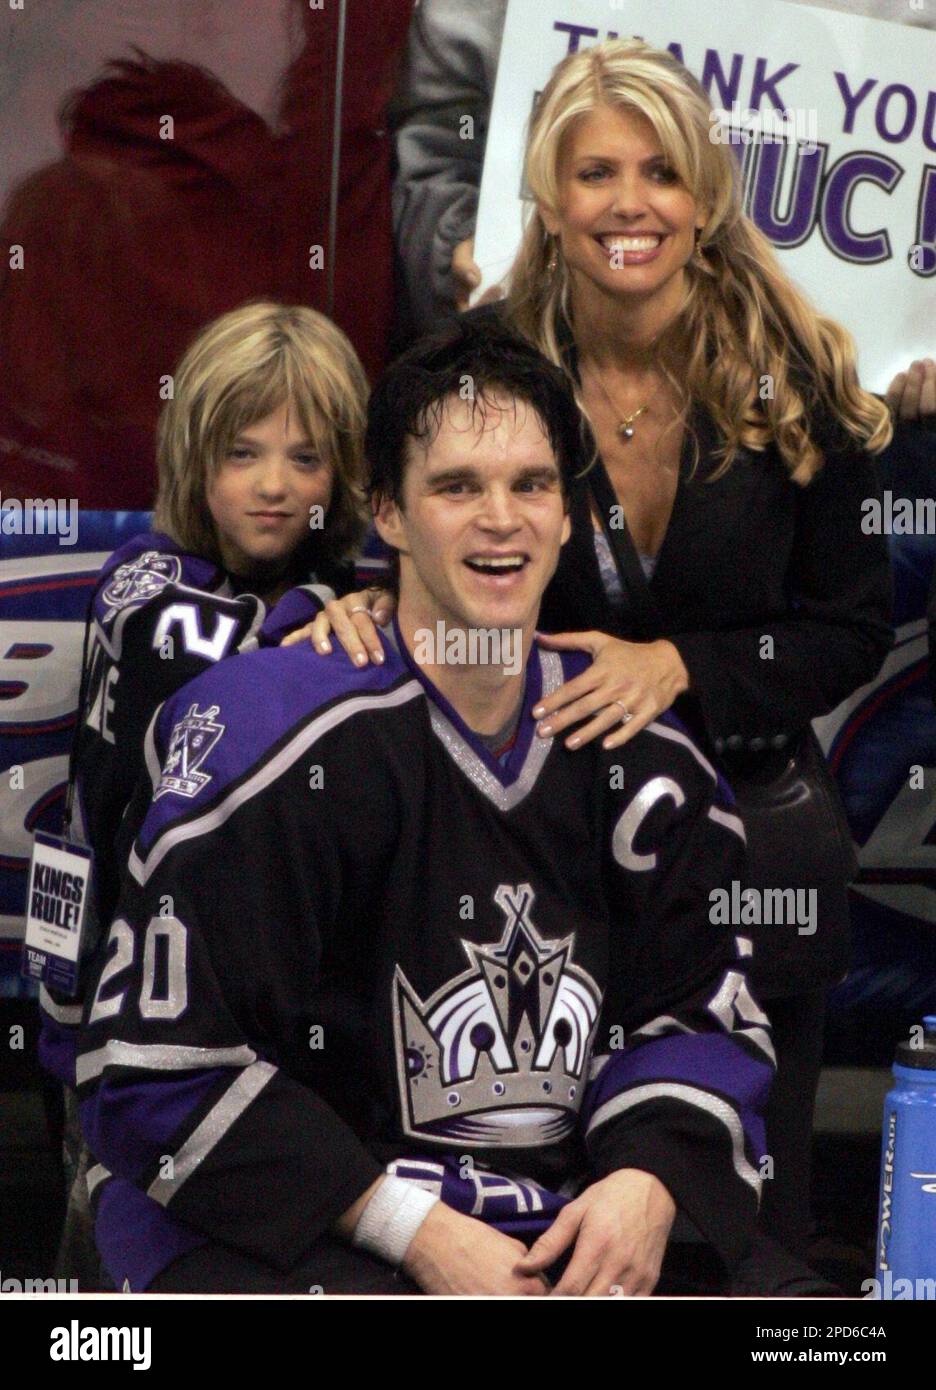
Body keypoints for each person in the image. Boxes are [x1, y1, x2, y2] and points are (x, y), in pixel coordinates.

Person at [302, 39, 899, 1279]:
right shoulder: (480, 367)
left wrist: (678, 663)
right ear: (548, 196)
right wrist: (348, 610)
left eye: (661, 173)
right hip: (524, 851)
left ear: (704, 196)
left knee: (741, 1210)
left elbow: (848, 628)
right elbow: (407, 530)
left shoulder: (805, 374)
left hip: (751, 840)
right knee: (534, 1183)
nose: (631, 204)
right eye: (595, 173)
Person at [75, 319, 772, 1296]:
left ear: (568, 514)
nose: (502, 517)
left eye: (531, 484)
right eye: (456, 487)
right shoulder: (270, 743)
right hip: (300, 1229)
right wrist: (421, 1234)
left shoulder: (647, 760)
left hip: (551, 1215)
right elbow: (158, 1069)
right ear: (387, 516)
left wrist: (647, 1180)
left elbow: (701, 1008)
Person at [38, 299, 368, 1281]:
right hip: (116, 1028)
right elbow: (226, 655)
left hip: (249, 1036)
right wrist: (339, 607)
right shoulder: (143, 584)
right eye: (241, 453)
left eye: (305, 460)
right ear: (193, 458)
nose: (273, 486)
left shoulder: (335, 582)